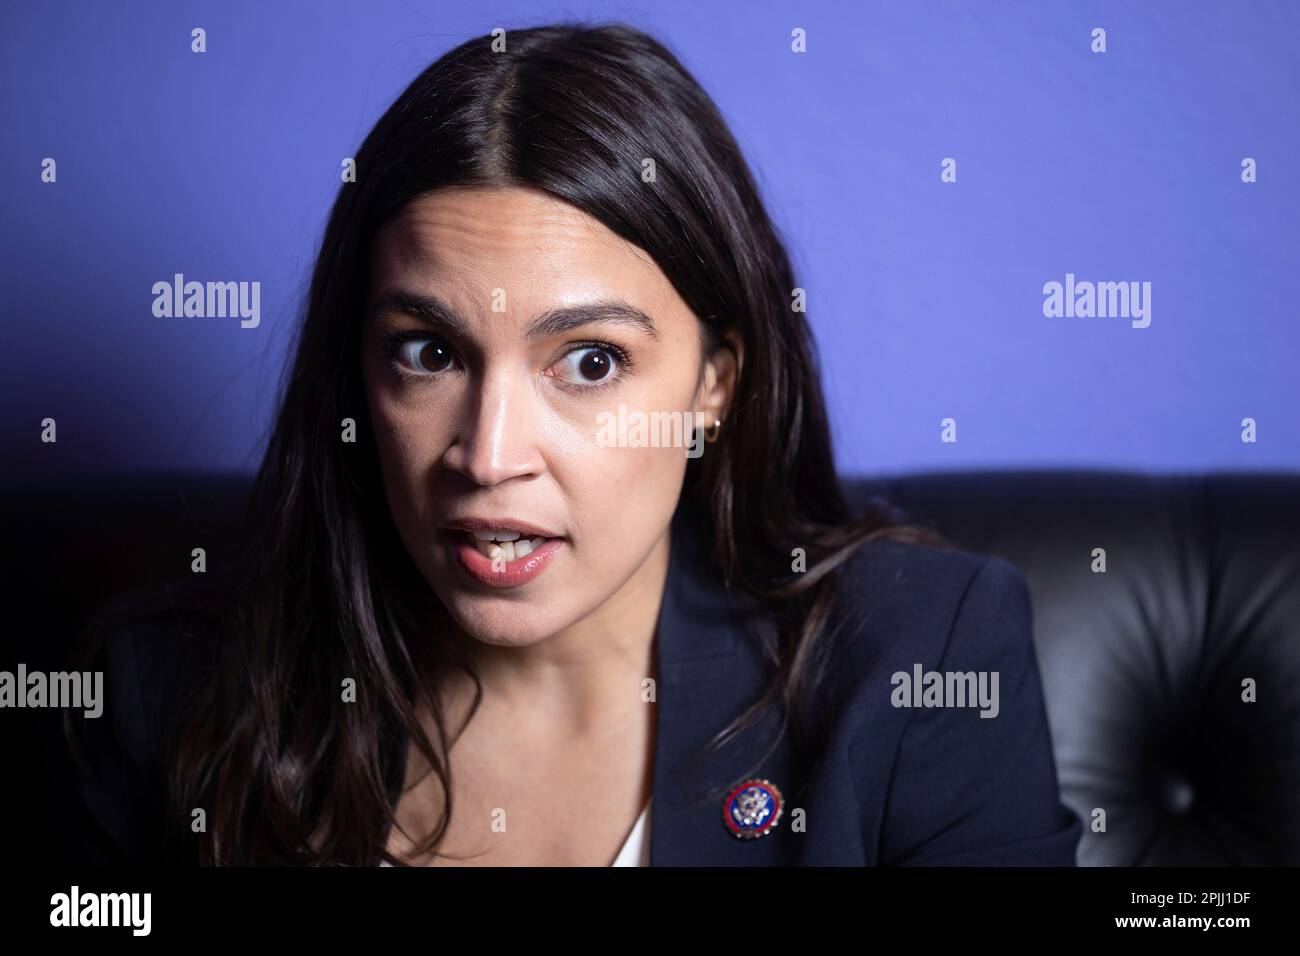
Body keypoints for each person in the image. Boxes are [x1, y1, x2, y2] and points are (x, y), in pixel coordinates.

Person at [63, 22, 1082, 867]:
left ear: (713, 382)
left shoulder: (915, 660)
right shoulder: (165, 696)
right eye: (427, 351)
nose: (488, 453)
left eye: (589, 362)